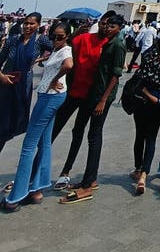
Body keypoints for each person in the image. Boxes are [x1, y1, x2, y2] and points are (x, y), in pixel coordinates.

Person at [1, 23, 72, 211]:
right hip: (50, 95)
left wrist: (56, 79)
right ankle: (37, 188)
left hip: (50, 97)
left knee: (28, 145)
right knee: (44, 142)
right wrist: (42, 60)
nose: (56, 40)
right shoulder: (56, 49)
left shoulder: (65, 50)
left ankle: (16, 195)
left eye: (60, 36)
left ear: (67, 37)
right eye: (53, 36)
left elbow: (69, 65)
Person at [58, 14, 127, 204]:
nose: (107, 28)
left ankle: (87, 187)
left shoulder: (118, 45)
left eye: (112, 26)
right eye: (106, 25)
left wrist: (103, 100)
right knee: (88, 134)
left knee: (94, 137)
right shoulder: (109, 41)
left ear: (119, 28)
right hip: (93, 94)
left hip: (100, 98)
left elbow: (115, 75)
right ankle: (90, 179)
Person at [52, 13, 111, 189]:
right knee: (53, 129)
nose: (105, 27)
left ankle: (65, 172)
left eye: (108, 24)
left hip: (89, 97)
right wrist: (75, 34)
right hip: (71, 93)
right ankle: (35, 169)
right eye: (103, 23)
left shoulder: (109, 46)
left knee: (78, 132)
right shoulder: (83, 39)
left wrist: (103, 99)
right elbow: (64, 48)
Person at [131, 34, 160, 195]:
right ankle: (144, 175)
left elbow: (141, 78)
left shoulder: (148, 59)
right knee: (151, 138)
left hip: (143, 102)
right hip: (159, 105)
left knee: (139, 136)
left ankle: (138, 169)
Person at [0, 12, 52, 154]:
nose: (28, 26)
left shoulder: (40, 41)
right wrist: (2, 77)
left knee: (10, 124)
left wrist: (40, 59)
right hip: (4, 85)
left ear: (38, 25)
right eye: (26, 23)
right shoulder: (13, 40)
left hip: (22, 88)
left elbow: (57, 49)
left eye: (32, 23)